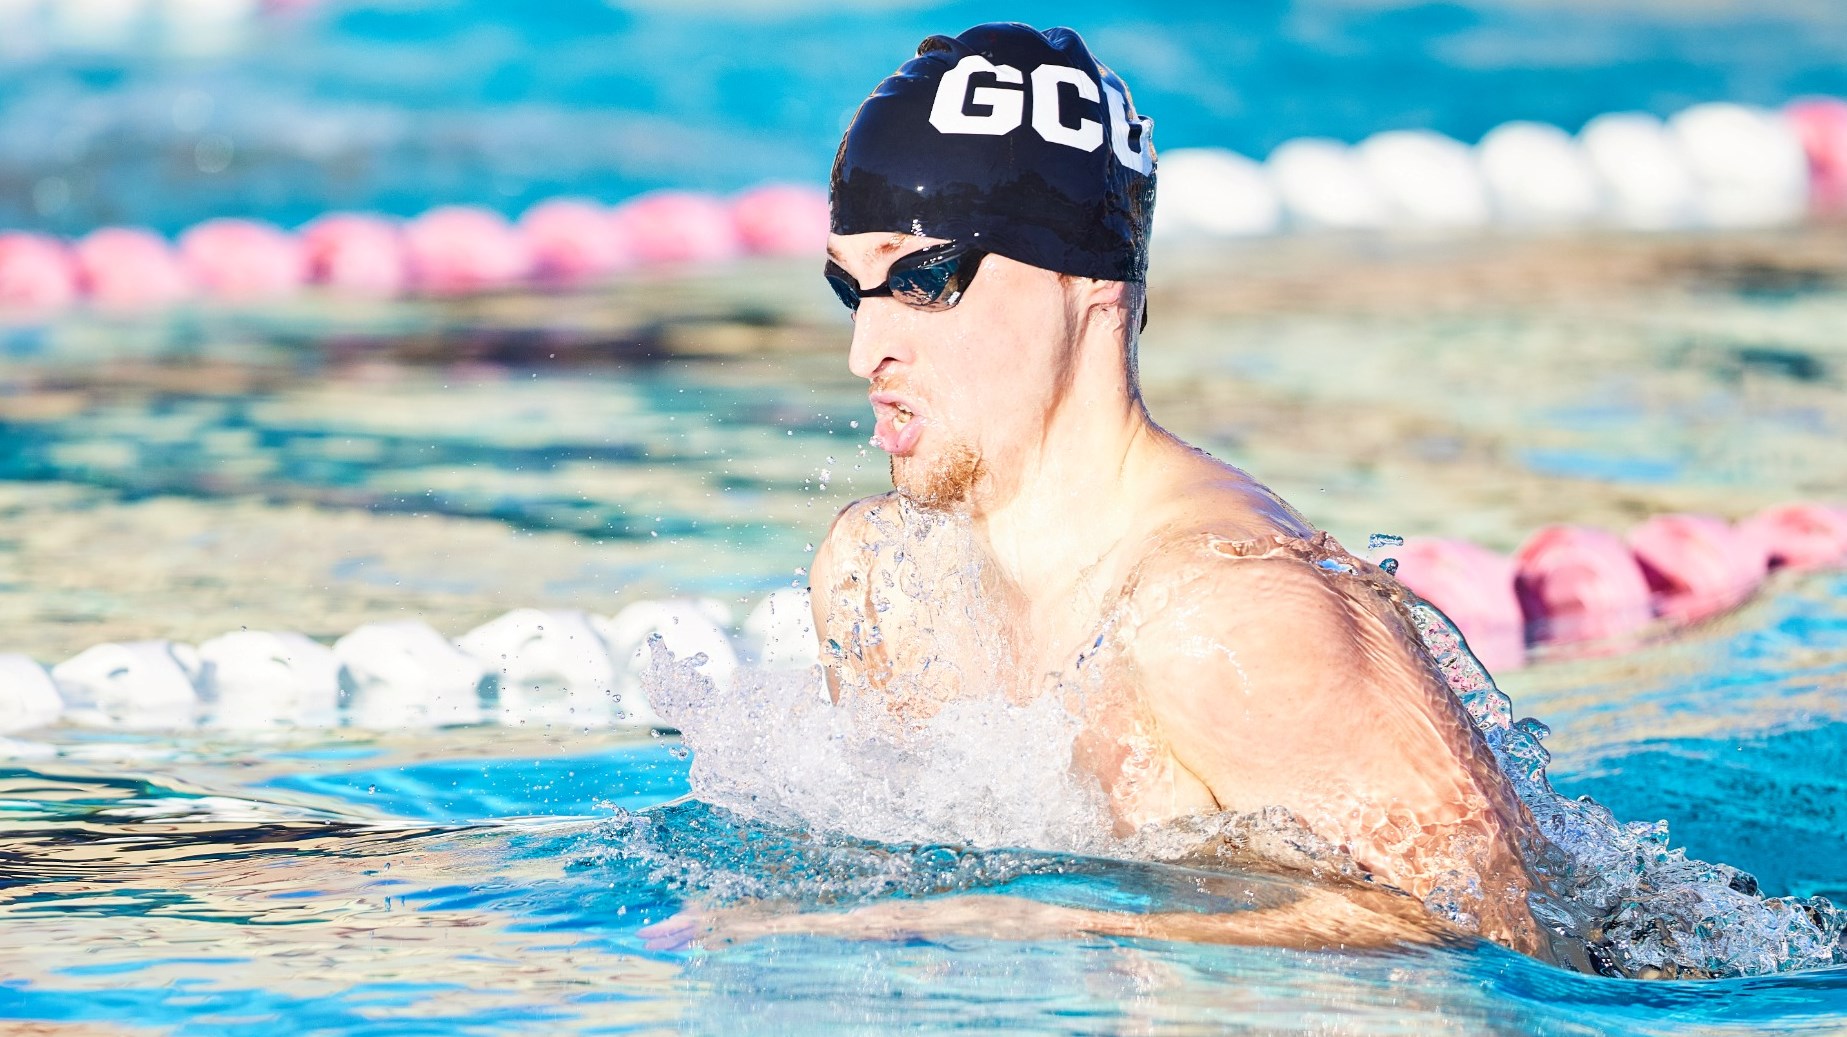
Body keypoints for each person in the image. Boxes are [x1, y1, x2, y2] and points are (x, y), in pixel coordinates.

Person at [656, 22, 1553, 959]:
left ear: (1087, 281)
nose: (864, 350)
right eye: (853, 290)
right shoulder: (879, 580)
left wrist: (1017, 919)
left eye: (923, 279)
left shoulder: (1232, 616)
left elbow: (1492, 936)